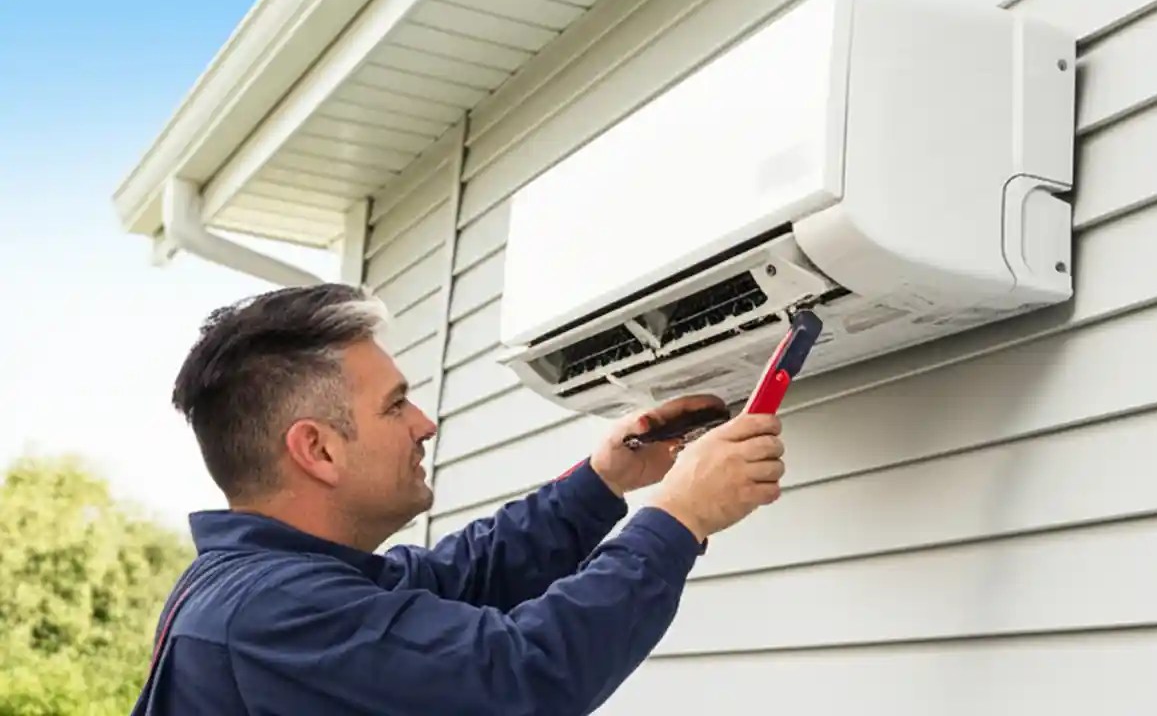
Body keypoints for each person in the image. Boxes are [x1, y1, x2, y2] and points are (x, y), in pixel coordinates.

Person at [131, 282, 787, 715]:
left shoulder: (271, 585)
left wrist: (603, 480)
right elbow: (519, 678)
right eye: (395, 406)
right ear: (319, 450)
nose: (424, 421)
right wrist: (679, 519)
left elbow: (457, 577)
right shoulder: (269, 616)